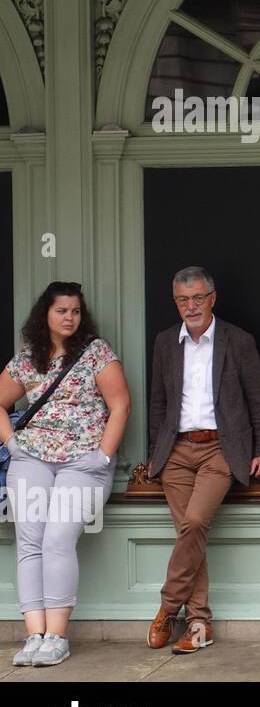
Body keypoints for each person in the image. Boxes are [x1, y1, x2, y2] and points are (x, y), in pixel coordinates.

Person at [146, 267, 260, 654]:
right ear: (175, 302)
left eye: (198, 298)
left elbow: (259, 398)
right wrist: (157, 452)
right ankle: (199, 622)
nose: (191, 307)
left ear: (213, 299)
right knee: (191, 533)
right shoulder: (165, 342)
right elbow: (158, 402)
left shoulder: (238, 341)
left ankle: (168, 607)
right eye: (183, 300)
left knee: (195, 523)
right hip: (176, 452)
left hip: (220, 448)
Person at [0, 282, 131, 668]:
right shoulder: (27, 359)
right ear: (46, 314)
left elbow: (120, 405)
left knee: (57, 538)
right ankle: (34, 635)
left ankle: (57, 636)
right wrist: (11, 444)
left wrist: (103, 457)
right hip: (32, 460)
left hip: (83, 462)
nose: (69, 317)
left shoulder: (96, 353)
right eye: (62, 311)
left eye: (75, 311)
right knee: (30, 540)